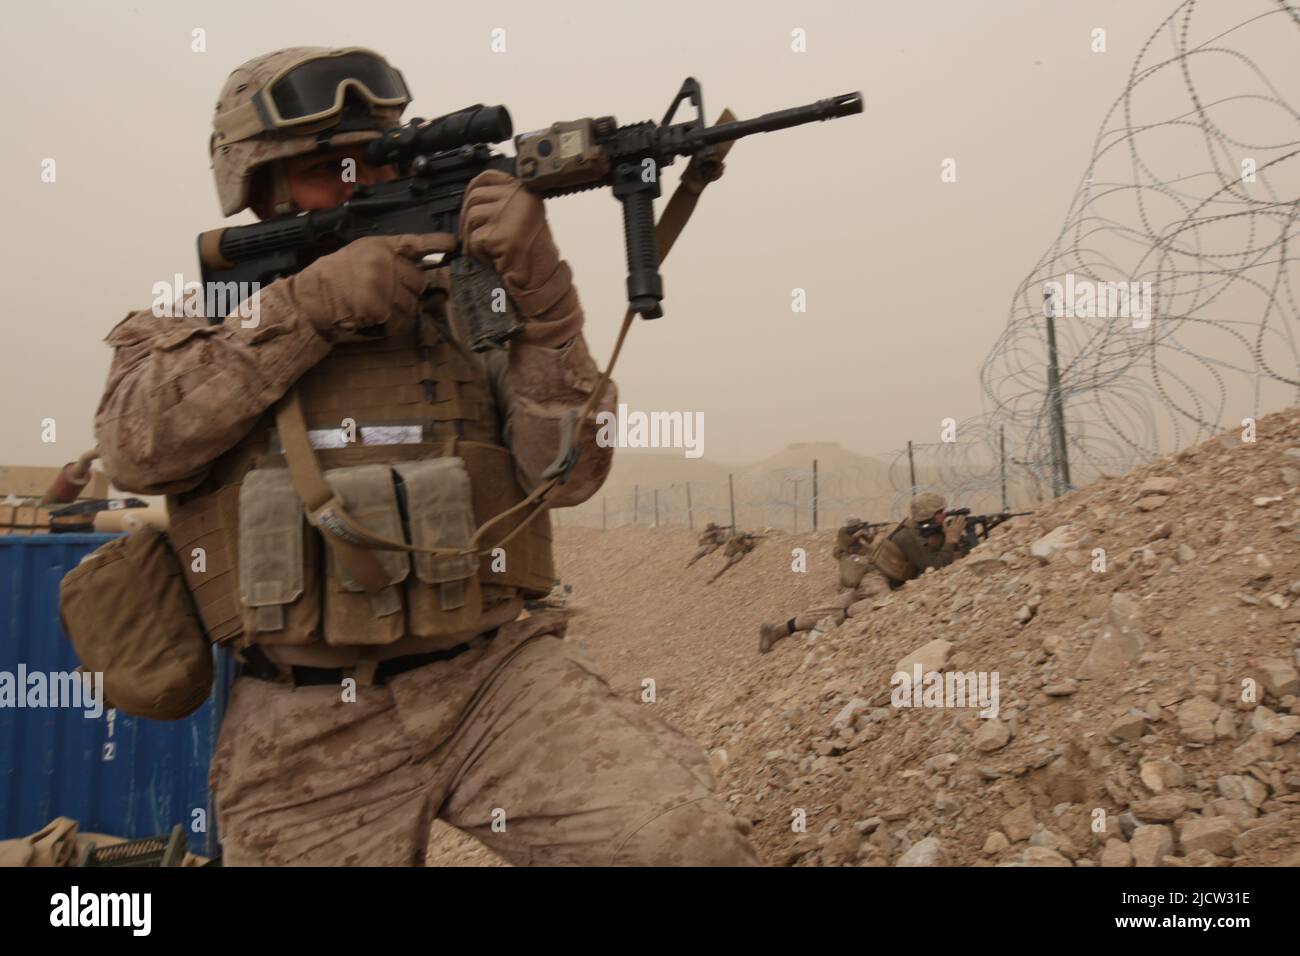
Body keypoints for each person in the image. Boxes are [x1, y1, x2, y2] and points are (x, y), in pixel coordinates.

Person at [93, 47, 757, 867]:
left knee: (682, 846)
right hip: (303, 720)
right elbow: (133, 447)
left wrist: (546, 306)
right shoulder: (199, 327)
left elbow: (572, 478)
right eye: (329, 168)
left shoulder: (467, 304)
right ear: (257, 186)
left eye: (379, 157)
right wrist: (307, 308)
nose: (362, 180)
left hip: (494, 682)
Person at [757, 496, 966, 654]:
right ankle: (845, 615)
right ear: (928, 515)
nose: (944, 516)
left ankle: (777, 631)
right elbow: (934, 565)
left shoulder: (920, 532)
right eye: (940, 512)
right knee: (885, 604)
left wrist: (953, 542)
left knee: (823, 611)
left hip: (874, 577)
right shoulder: (907, 536)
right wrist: (951, 539)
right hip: (874, 578)